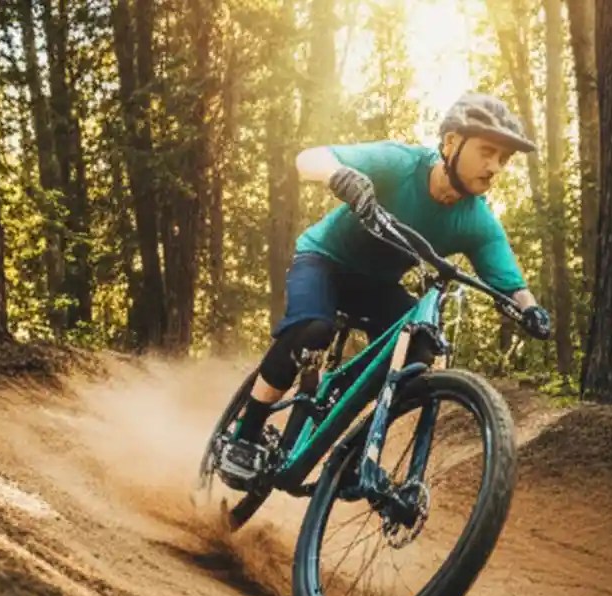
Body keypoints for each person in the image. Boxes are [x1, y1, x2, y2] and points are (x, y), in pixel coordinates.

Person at [219, 92, 552, 483]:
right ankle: (245, 436)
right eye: (487, 152)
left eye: (504, 159)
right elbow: (309, 158)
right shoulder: (401, 163)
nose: (495, 167)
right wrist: (340, 175)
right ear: (450, 143)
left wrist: (530, 309)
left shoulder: (477, 222)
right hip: (324, 261)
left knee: (420, 351)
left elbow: (511, 284)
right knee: (312, 329)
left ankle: (350, 442)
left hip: (376, 286)